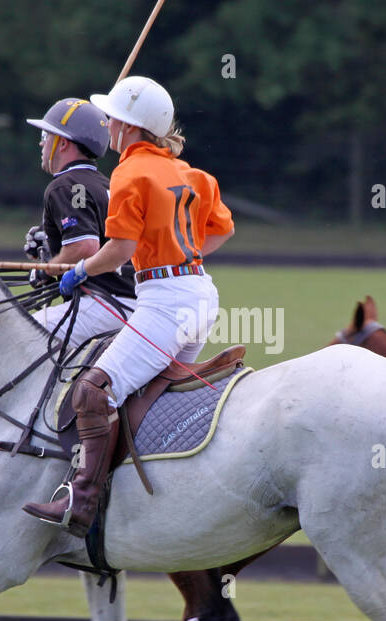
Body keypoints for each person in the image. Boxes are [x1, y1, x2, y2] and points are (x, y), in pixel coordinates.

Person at [24, 76, 234, 535]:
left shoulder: (130, 173)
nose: (109, 126)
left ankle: (80, 504)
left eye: (114, 119)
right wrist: (177, 251)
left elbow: (117, 250)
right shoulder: (193, 174)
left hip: (163, 303)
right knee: (148, 398)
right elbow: (221, 232)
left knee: (93, 391)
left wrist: (81, 271)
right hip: (200, 295)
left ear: (129, 128)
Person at [23, 97, 137, 348]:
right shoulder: (105, 183)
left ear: (62, 144)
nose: (42, 143)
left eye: (46, 135)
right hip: (133, 303)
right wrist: (52, 245)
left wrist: (46, 269)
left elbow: (84, 247)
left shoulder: (66, 184)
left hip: (106, 304)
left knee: (20, 335)